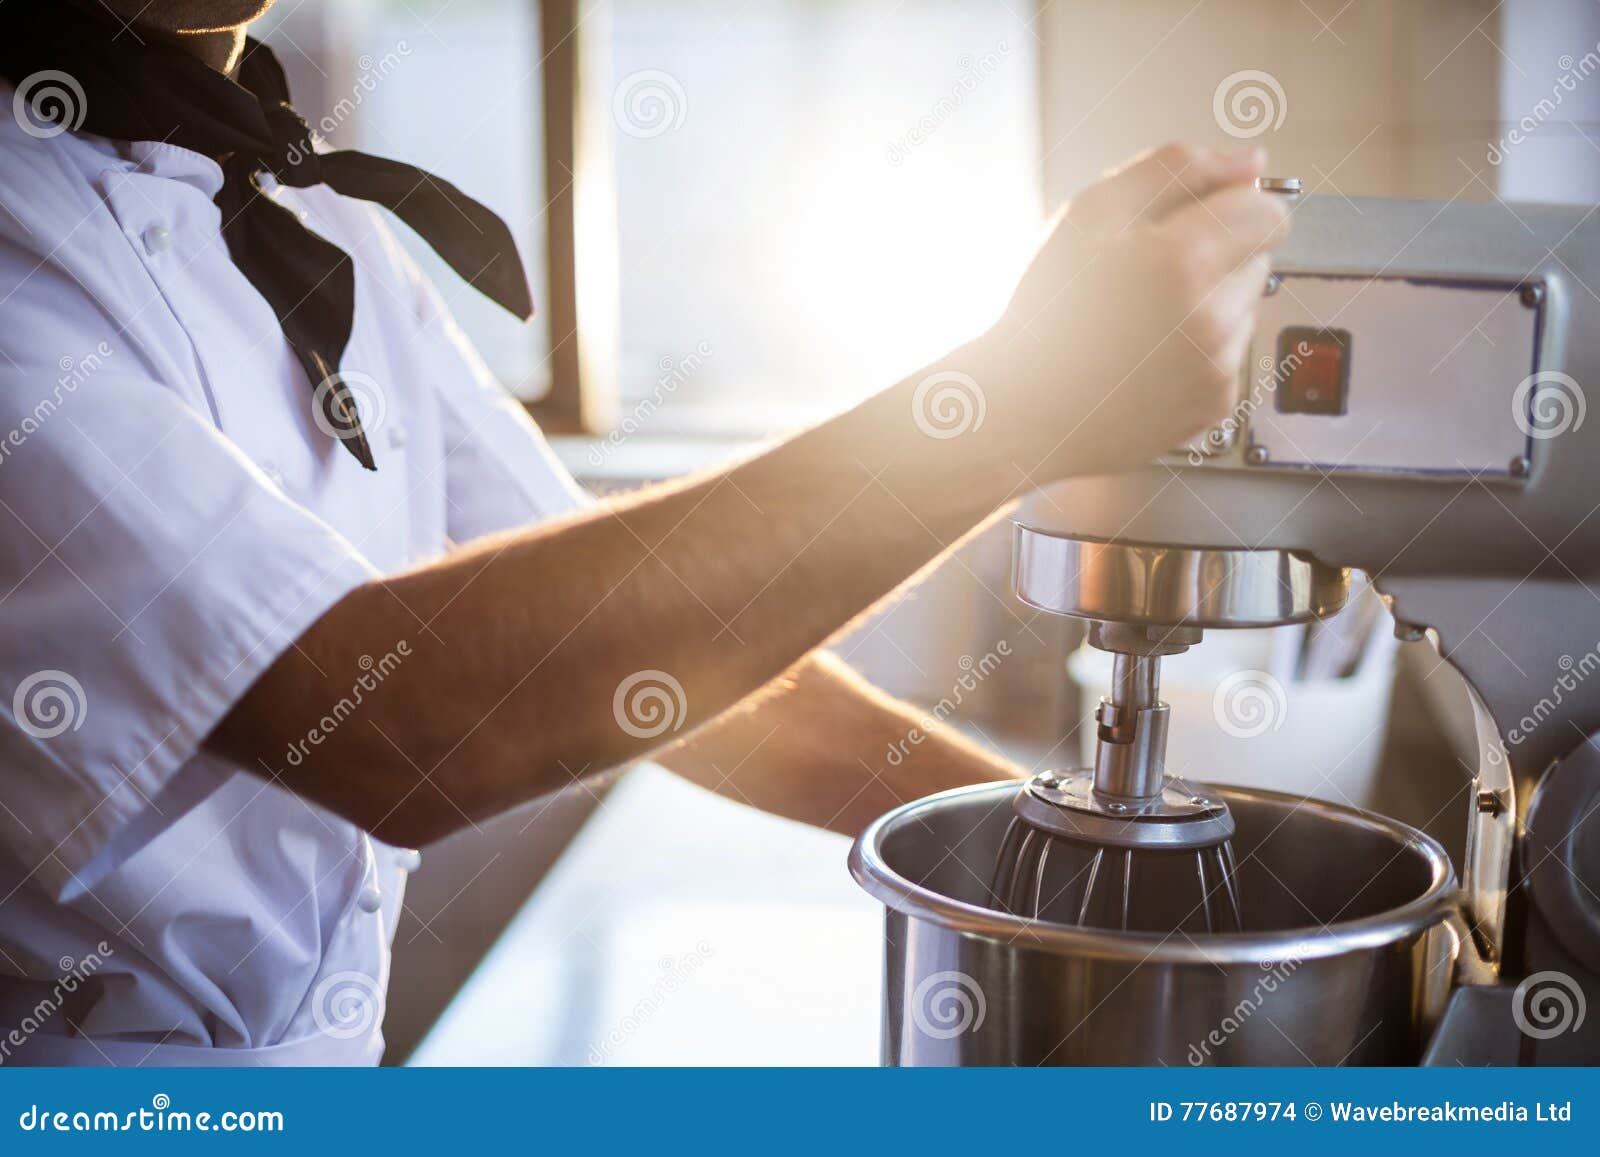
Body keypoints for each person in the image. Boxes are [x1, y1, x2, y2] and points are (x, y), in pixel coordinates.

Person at [0, 0, 1288, 1065]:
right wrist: (1017, 403)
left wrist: (1081, 876)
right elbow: (397, 725)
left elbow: (660, 665)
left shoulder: (314, 219)